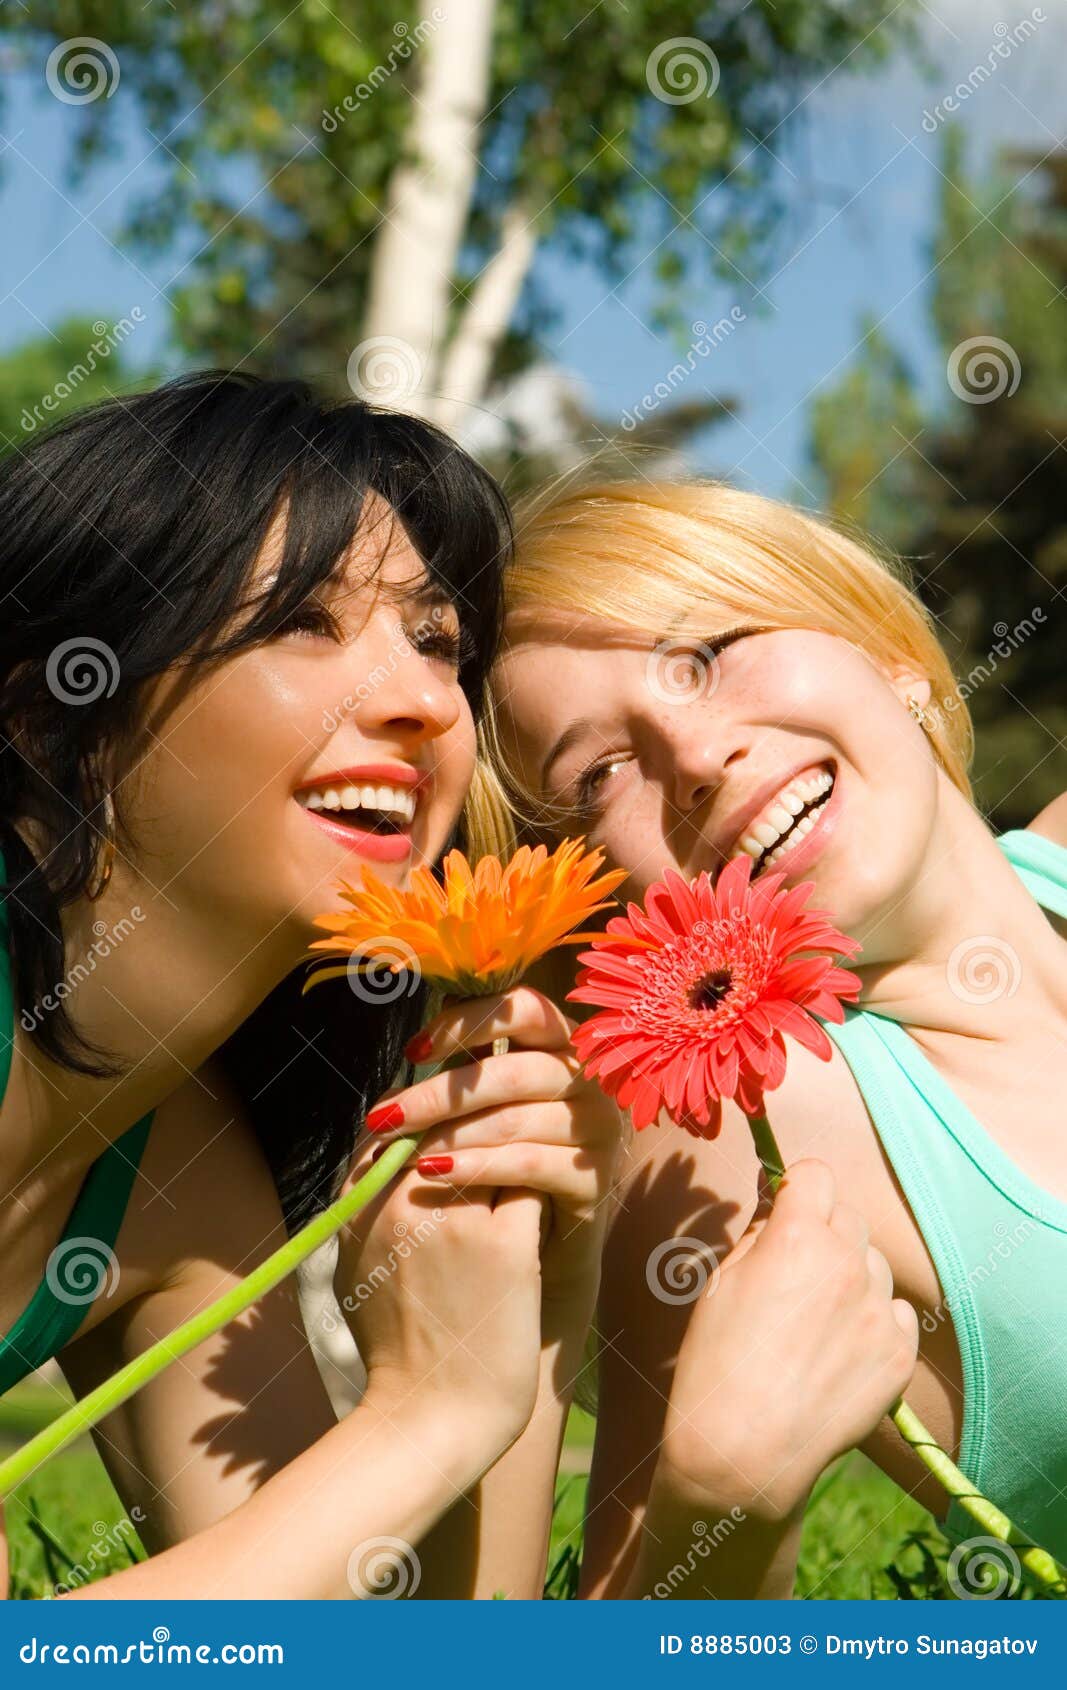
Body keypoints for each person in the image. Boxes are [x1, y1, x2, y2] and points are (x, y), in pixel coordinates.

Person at [0, 371, 623, 1599]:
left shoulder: (165, 1182)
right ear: (49, 709)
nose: (422, 703)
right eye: (303, 620)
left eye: (438, 640)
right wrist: (415, 1425)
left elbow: (407, 1663)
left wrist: (527, 1315)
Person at [479, 474, 1067, 1597]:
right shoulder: (743, 1140)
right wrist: (724, 1500)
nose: (694, 755)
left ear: (880, 650)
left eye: (707, 651)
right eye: (597, 774)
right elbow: (643, 1630)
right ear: (606, 903)